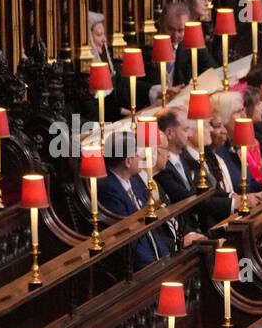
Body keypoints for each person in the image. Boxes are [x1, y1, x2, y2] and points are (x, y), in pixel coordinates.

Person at [96, 130, 180, 268]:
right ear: (128, 161)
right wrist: (153, 266)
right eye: (137, 153)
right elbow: (129, 237)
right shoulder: (109, 190)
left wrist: (166, 256)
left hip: (157, 257)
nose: (141, 157)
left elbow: (150, 229)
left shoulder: (134, 181)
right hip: (140, 265)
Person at [154, 107, 232, 232]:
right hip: (187, 233)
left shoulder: (186, 157)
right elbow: (187, 200)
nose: (190, 134)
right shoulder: (161, 168)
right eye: (185, 130)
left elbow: (209, 189)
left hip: (206, 226)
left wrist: (233, 197)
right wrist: (232, 204)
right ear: (169, 133)